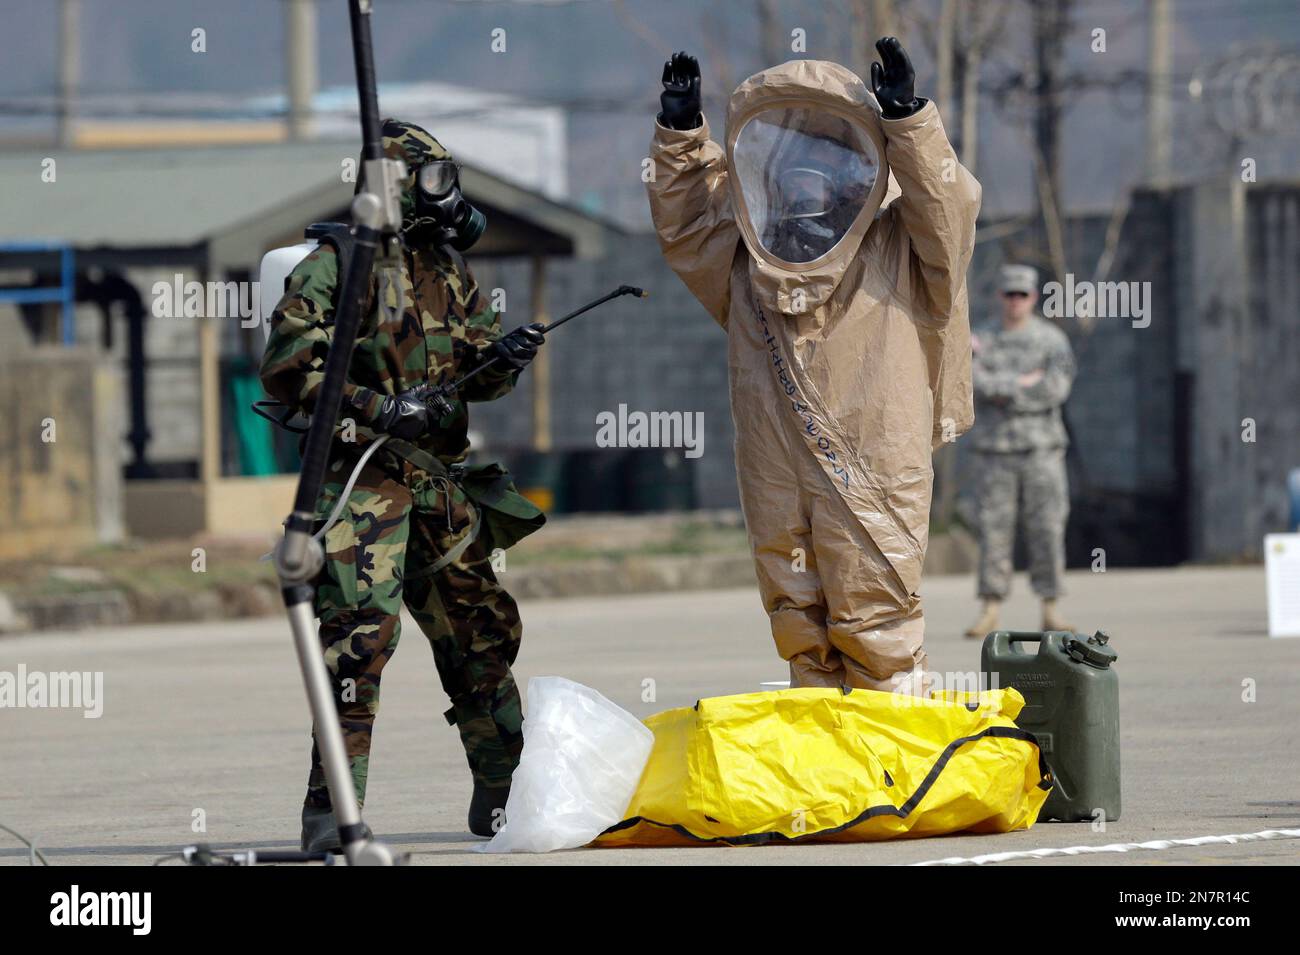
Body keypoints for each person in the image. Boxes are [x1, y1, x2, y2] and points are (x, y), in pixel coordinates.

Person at [649, 39, 980, 691]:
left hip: (874, 460)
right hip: (777, 466)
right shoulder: (747, 265)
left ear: (855, 173)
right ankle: (827, 773)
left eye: (822, 164)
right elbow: (688, 231)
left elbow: (948, 213)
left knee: (875, 617)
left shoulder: (898, 251)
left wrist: (909, 123)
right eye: (788, 164)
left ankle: (892, 764)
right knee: (800, 621)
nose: (803, 181)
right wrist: (683, 135)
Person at [260, 119, 546, 851]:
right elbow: (290, 366)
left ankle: (505, 785)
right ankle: (333, 810)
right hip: (362, 482)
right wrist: (377, 406)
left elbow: (478, 368)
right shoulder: (335, 265)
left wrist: (507, 356)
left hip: (437, 480)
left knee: (479, 634)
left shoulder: (445, 268)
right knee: (358, 642)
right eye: (431, 181)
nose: (445, 199)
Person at [965, 264, 1076, 637]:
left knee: (1047, 527)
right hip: (994, 451)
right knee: (993, 529)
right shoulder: (980, 338)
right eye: (1009, 294)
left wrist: (1004, 391)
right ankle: (990, 608)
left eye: (1022, 295)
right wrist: (1022, 383)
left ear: (1034, 297)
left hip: (1042, 449)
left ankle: (1051, 606)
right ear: (1000, 296)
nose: (1015, 301)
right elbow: (973, 382)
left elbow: (1056, 389)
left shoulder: (1052, 340)